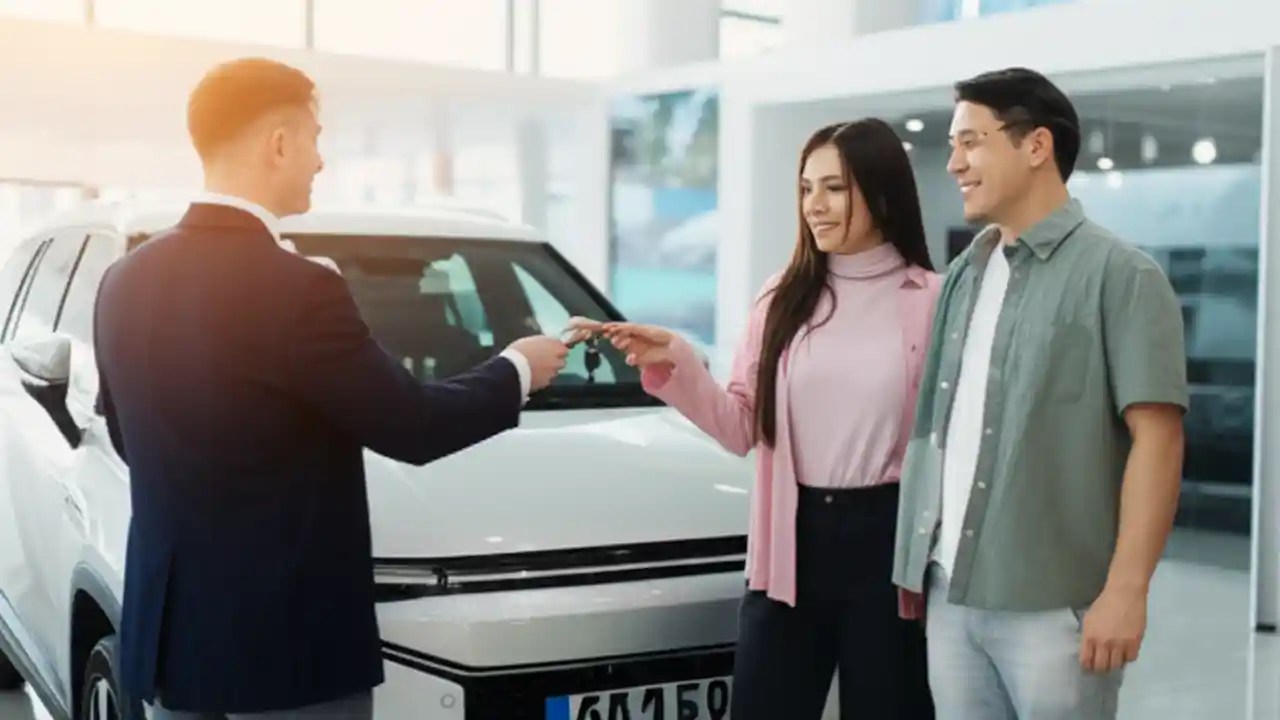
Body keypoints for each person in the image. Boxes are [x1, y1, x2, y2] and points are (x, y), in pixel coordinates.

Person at [92, 57, 569, 719]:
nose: (321, 160)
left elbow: (127, 434)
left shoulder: (124, 279)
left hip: (173, 636)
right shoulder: (298, 288)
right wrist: (517, 368)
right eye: (315, 137)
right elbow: (412, 424)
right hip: (286, 648)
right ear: (278, 143)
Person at [571, 119, 940, 719]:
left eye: (835, 189)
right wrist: (678, 363)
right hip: (788, 542)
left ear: (881, 191)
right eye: (806, 188)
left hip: (888, 548)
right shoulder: (782, 298)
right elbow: (739, 427)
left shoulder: (932, 300)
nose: (814, 206)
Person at [891, 67, 1188, 720]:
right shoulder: (966, 274)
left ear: (1036, 146)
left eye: (971, 142)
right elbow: (938, 428)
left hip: (1057, 609)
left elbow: (1159, 440)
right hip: (951, 593)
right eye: (952, 146)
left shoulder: (1122, 275)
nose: (954, 164)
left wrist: (1127, 591)